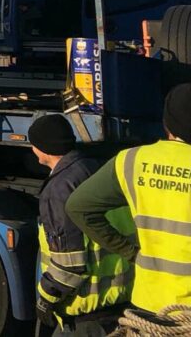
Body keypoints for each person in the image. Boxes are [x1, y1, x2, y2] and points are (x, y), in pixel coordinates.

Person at [68, 83, 191, 318]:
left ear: (167, 123)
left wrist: (130, 252)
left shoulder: (131, 161)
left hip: (149, 301)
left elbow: (78, 207)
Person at [28, 113, 133, 334]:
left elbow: (70, 264)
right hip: (120, 303)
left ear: (42, 149)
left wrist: (46, 299)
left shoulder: (59, 190)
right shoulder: (99, 170)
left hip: (85, 312)